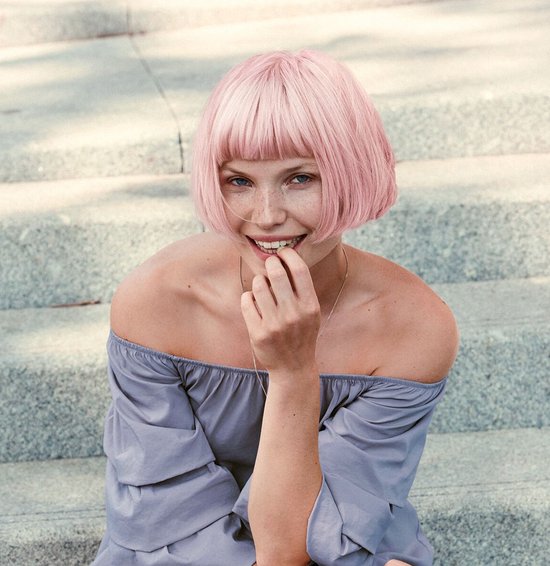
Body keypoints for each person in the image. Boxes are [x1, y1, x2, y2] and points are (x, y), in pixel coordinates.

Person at [92, 50, 459, 566]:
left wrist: (293, 373)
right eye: (239, 181)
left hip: (335, 541)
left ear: (353, 172)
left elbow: (306, 541)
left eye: (300, 178)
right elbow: (165, 519)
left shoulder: (412, 326)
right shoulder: (158, 300)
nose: (266, 217)